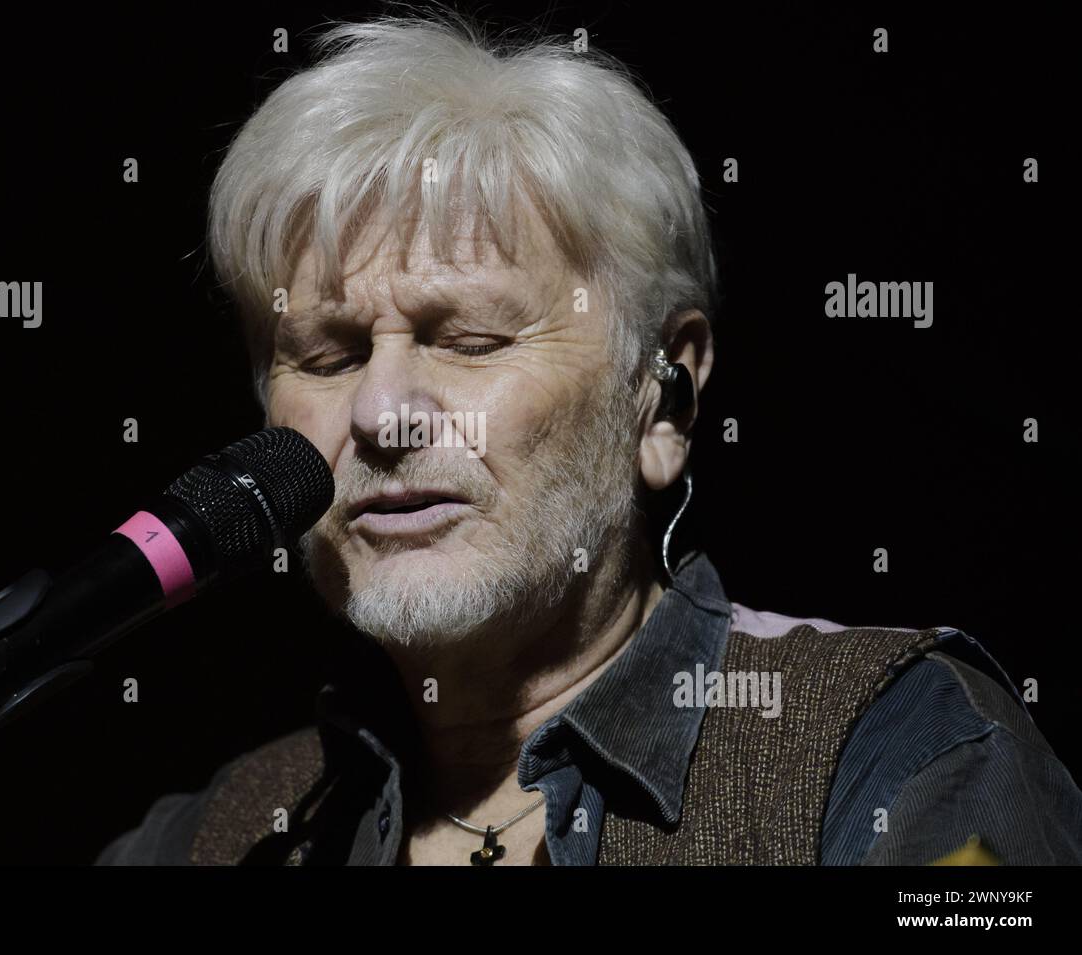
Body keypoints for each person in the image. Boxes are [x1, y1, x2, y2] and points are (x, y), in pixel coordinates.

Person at [96, 13, 1081, 866]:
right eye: (323, 354)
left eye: (470, 340)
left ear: (661, 401)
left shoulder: (902, 747)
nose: (381, 411)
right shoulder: (204, 837)